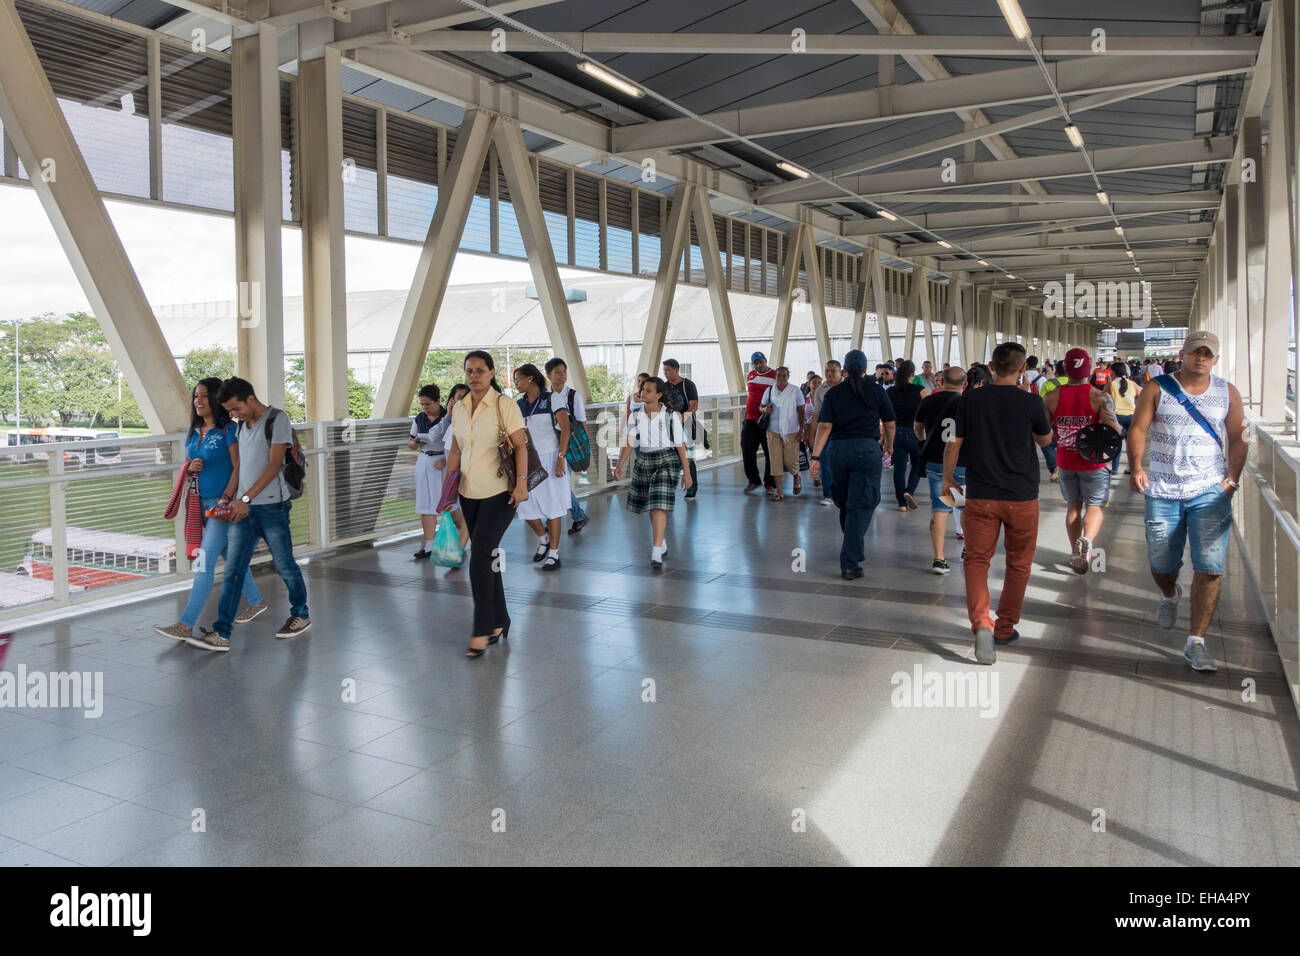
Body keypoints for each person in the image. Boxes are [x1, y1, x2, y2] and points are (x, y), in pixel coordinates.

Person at [1126, 331, 1246, 673]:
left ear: (1216, 359)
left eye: (1208, 353)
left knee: (1209, 566)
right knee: (1162, 562)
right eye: (1196, 352)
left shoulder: (1227, 392)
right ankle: (1169, 594)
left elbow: (1239, 437)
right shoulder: (1158, 387)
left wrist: (1230, 480)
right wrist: (1136, 467)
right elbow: (1138, 429)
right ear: (1183, 354)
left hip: (1210, 489)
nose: (1201, 358)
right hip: (1163, 489)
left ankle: (1196, 642)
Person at [943, 342, 1054, 665]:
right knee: (1018, 564)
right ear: (1022, 369)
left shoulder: (971, 399)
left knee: (977, 561)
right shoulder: (1031, 402)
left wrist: (949, 479)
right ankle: (1005, 628)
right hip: (1022, 497)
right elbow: (1045, 440)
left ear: (991, 366)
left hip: (981, 495)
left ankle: (981, 624)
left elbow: (954, 443)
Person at [199, 377, 310, 651]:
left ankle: (301, 614)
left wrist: (246, 498)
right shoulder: (240, 427)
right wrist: (229, 497)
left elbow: (274, 465)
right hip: (243, 510)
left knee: (284, 565)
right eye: (230, 411)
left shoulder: (277, 419)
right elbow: (241, 467)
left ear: (250, 398)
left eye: (236, 409)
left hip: (272, 508)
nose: (234, 415)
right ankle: (221, 633)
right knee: (233, 571)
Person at [153, 378, 266, 644]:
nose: (198, 401)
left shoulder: (229, 430)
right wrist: (190, 467)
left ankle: (186, 623)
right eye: (195, 397)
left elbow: (240, 466)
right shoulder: (193, 431)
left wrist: (227, 498)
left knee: (204, 562)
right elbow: (189, 462)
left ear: (215, 398)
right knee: (228, 554)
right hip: (198, 503)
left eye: (203, 396)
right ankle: (257, 601)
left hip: (222, 505)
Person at [445, 350, 529, 658]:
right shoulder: (459, 408)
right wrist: (447, 491)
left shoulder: (503, 405)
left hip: (500, 493)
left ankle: (480, 629)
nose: (474, 375)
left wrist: (521, 484)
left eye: (480, 370)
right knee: (487, 555)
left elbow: (520, 444)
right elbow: (455, 450)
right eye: (469, 370)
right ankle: (500, 619)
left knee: (480, 556)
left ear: (491, 373)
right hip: (469, 492)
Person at [809, 350, 896, 579]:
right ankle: (849, 561)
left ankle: (854, 548)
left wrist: (815, 456)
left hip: (838, 451)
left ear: (845, 370)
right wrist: (889, 446)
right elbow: (889, 423)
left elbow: (824, 426)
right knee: (863, 502)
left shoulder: (834, 393)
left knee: (846, 502)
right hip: (866, 450)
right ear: (866, 369)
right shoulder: (876, 390)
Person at [1044, 349, 1122, 575]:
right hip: (1093, 462)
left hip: (1065, 461)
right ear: (1090, 369)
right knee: (1095, 507)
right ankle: (1086, 541)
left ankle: (1074, 552)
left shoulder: (1051, 397)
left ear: (1066, 369)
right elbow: (1114, 430)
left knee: (1073, 507)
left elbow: (1043, 434)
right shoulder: (1100, 397)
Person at [615, 376, 692, 569]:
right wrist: (620, 464)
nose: (643, 393)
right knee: (652, 504)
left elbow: (680, 445)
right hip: (645, 460)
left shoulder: (670, 415)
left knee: (657, 505)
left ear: (659, 395)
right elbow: (630, 441)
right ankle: (661, 541)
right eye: (642, 390)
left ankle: (656, 550)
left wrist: (687, 472)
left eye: (648, 390)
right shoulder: (636, 414)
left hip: (666, 461)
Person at [514, 363, 569, 572]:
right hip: (527, 460)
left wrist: (561, 458)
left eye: (518, 379)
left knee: (553, 507)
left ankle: (554, 554)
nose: (516, 383)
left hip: (550, 457)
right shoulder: (518, 405)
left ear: (530, 379)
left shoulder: (551, 399)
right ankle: (543, 538)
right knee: (525, 506)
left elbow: (566, 428)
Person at [915, 366, 968, 574]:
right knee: (963, 506)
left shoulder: (928, 401)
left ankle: (939, 559)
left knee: (940, 508)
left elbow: (917, 429)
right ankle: (968, 551)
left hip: (936, 462)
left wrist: (925, 440)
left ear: (941, 380)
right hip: (962, 462)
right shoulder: (967, 403)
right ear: (964, 384)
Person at [409, 384, 468, 560]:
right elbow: (411, 440)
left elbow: (453, 442)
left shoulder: (449, 415)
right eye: (422, 404)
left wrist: (446, 458)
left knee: (450, 503)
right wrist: (413, 444)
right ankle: (429, 545)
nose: (424, 408)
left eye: (427, 404)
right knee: (425, 505)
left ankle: (462, 536)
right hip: (424, 460)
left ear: (437, 401)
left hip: (443, 462)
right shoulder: (420, 418)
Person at [545, 358, 589, 533]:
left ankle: (562, 520)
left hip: (568, 448)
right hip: (547, 447)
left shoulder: (573, 396)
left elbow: (582, 424)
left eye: (564, 371)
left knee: (559, 485)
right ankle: (577, 516)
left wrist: (583, 449)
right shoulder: (544, 396)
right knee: (554, 485)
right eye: (557, 372)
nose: (562, 375)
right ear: (549, 375)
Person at [760, 366, 806, 500]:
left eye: (784, 375)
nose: (781, 378)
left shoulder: (795, 391)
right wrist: (764, 410)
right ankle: (779, 492)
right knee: (775, 461)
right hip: (773, 431)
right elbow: (761, 406)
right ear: (775, 377)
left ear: (788, 377)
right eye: (778, 375)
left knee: (790, 460)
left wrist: (801, 429)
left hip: (791, 431)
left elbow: (801, 410)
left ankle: (796, 477)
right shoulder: (769, 391)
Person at [662, 358, 701, 500]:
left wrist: (682, 418)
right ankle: (668, 488)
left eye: (668, 370)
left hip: (687, 425)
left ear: (676, 369)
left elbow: (694, 405)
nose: (665, 373)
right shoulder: (663, 387)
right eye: (664, 370)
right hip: (669, 425)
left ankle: (691, 487)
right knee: (669, 458)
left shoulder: (688, 385)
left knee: (688, 457)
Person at [889, 359, 925, 512]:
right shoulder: (920, 390)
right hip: (914, 432)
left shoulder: (890, 391)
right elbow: (927, 412)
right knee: (917, 464)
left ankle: (901, 504)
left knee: (899, 469)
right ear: (912, 374)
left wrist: (885, 440)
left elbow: (886, 416)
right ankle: (908, 491)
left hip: (896, 432)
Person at [742, 352, 777, 494]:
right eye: (755, 363)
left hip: (767, 420)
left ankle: (770, 483)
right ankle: (754, 480)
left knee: (770, 453)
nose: (758, 365)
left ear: (765, 361)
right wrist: (745, 415)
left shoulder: (775, 375)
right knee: (747, 449)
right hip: (750, 419)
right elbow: (751, 396)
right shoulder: (751, 375)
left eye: (760, 362)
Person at [811, 360, 842, 506]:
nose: (829, 374)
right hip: (825, 431)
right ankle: (828, 494)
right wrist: (812, 435)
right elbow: (816, 415)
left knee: (842, 461)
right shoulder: (820, 390)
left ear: (840, 372)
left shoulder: (847, 387)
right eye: (827, 370)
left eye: (833, 371)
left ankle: (842, 491)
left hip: (844, 431)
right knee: (825, 461)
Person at [1107, 361, 1140, 475]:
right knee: (1131, 445)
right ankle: (1132, 469)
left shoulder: (1111, 384)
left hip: (1117, 417)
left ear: (1113, 372)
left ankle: (1115, 469)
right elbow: (1142, 394)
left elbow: (1103, 398)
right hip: (1132, 416)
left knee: (1117, 444)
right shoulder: (1132, 384)